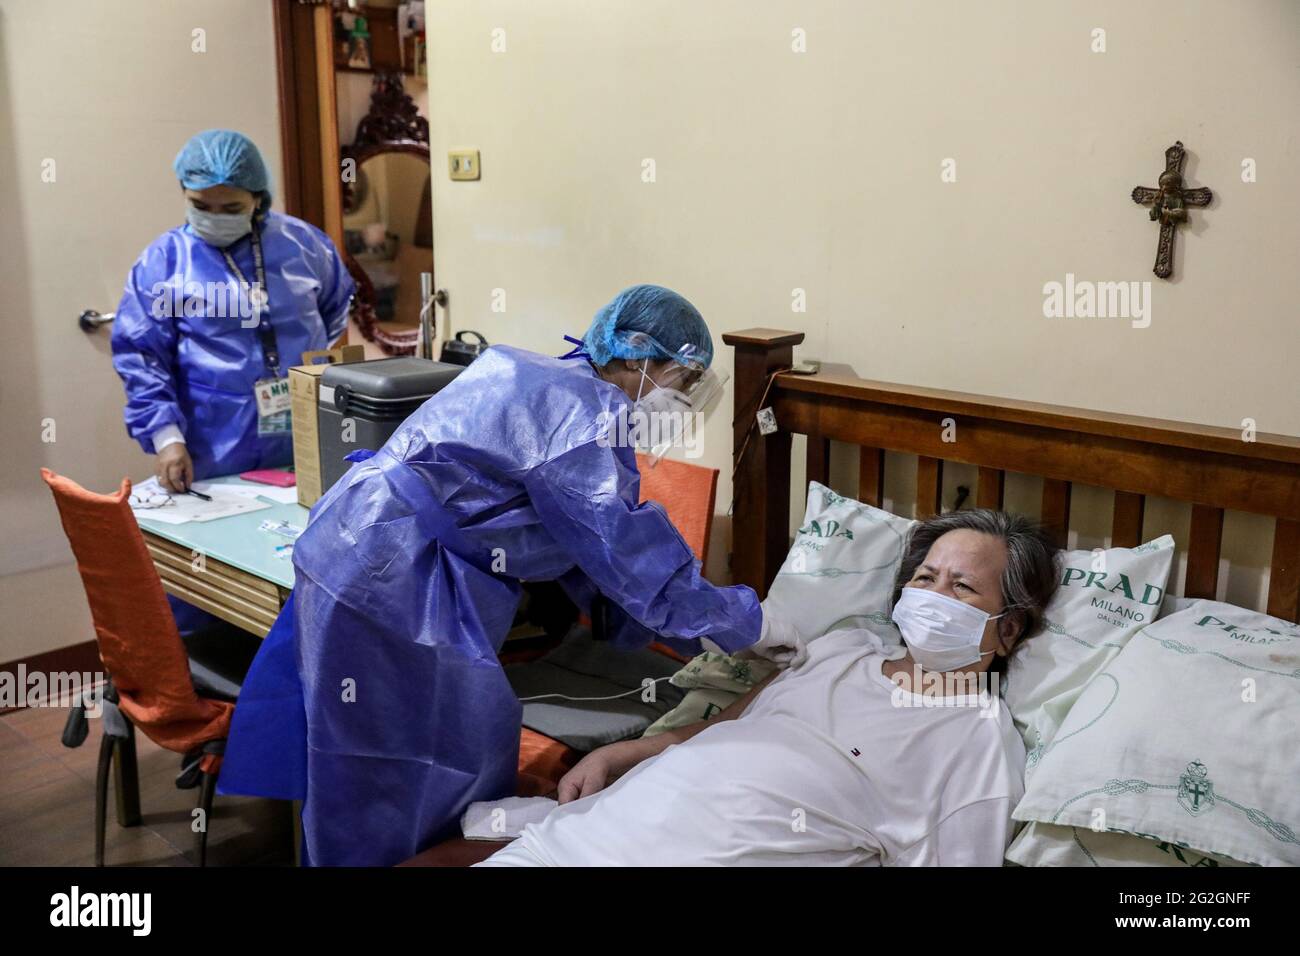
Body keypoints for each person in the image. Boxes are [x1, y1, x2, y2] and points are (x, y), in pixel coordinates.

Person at [220, 284, 808, 866]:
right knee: (413, 754)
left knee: (355, 743)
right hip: (394, 575)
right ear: (634, 352)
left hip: (359, 540)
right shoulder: (583, 416)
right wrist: (747, 620)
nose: (679, 403)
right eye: (681, 381)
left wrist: (660, 624)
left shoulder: (542, 376)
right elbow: (624, 550)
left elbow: (568, 540)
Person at [475, 509, 1059, 866]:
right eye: (925, 578)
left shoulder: (977, 744)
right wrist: (618, 752)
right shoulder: (842, 650)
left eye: (961, 588)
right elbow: (721, 725)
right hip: (571, 846)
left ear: (1006, 630)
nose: (932, 596)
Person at [112, 129, 355, 492]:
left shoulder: (305, 246)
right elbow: (143, 357)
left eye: (232, 209)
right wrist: (166, 438)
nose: (214, 217)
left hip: (307, 426)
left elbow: (335, 312)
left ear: (259, 199)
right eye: (200, 205)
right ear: (184, 193)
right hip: (213, 440)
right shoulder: (165, 262)